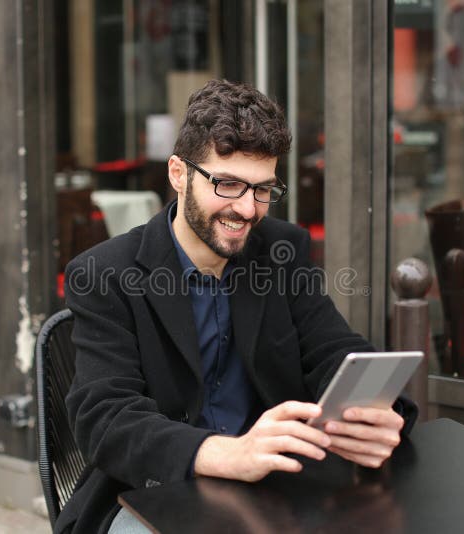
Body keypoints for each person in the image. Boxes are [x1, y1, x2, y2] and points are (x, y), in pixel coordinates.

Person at [57, 79, 418, 534]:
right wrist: (226, 453)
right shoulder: (103, 272)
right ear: (178, 174)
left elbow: (333, 349)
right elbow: (104, 416)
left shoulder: (281, 250)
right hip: (152, 490)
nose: (248, 209)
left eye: (263, 189)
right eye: (227, 184)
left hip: (272, 490)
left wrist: (380, 412)